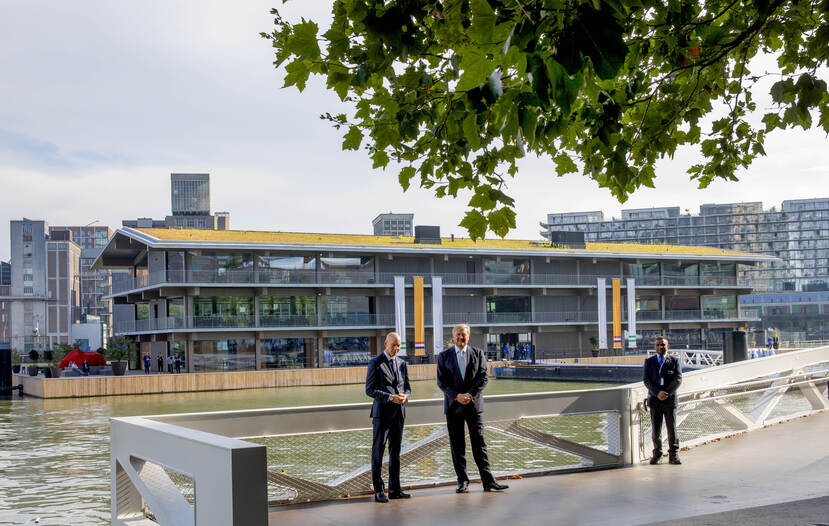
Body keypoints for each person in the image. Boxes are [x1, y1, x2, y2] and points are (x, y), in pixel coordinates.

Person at [437, 324, 508, 493]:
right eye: (458, 335)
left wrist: (469, 395)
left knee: (480, 444)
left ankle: (488, 481)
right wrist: (456, 396)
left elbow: (483, 378)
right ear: (453, 337)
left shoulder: (478, 353)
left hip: (473, 405)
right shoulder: (444, 356)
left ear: (468, 337)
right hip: (453, 407)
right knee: (457, 446)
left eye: (464, 335)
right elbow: (441, 382)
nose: (461, 338)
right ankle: (462, 481)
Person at [365, 332, 411, 503]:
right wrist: (390, 397)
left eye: (399, 346)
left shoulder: (402, 363)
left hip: (399, 414)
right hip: (381, 415)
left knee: (396, 453)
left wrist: (406, 396)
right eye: (393, 345)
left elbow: (407, 388)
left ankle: (395, 489)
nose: (396, 349)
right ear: (386, 343)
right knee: (378, 452)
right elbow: (369, 390)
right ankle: (378, 490)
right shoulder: (375, 363)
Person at [643, 336, 683, 465]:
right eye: (658, 345)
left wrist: (666, 392)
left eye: (663, 345)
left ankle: (673, 454)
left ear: (668, 346)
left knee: (672, 428)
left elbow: (678, 379)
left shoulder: (674, 361)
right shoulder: (649, 362)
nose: (661, 347)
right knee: (656, 429)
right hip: (655, 400)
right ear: (655, 347)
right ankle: (657, 453)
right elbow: (646, 380)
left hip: (669, 400)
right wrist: (657, 393)